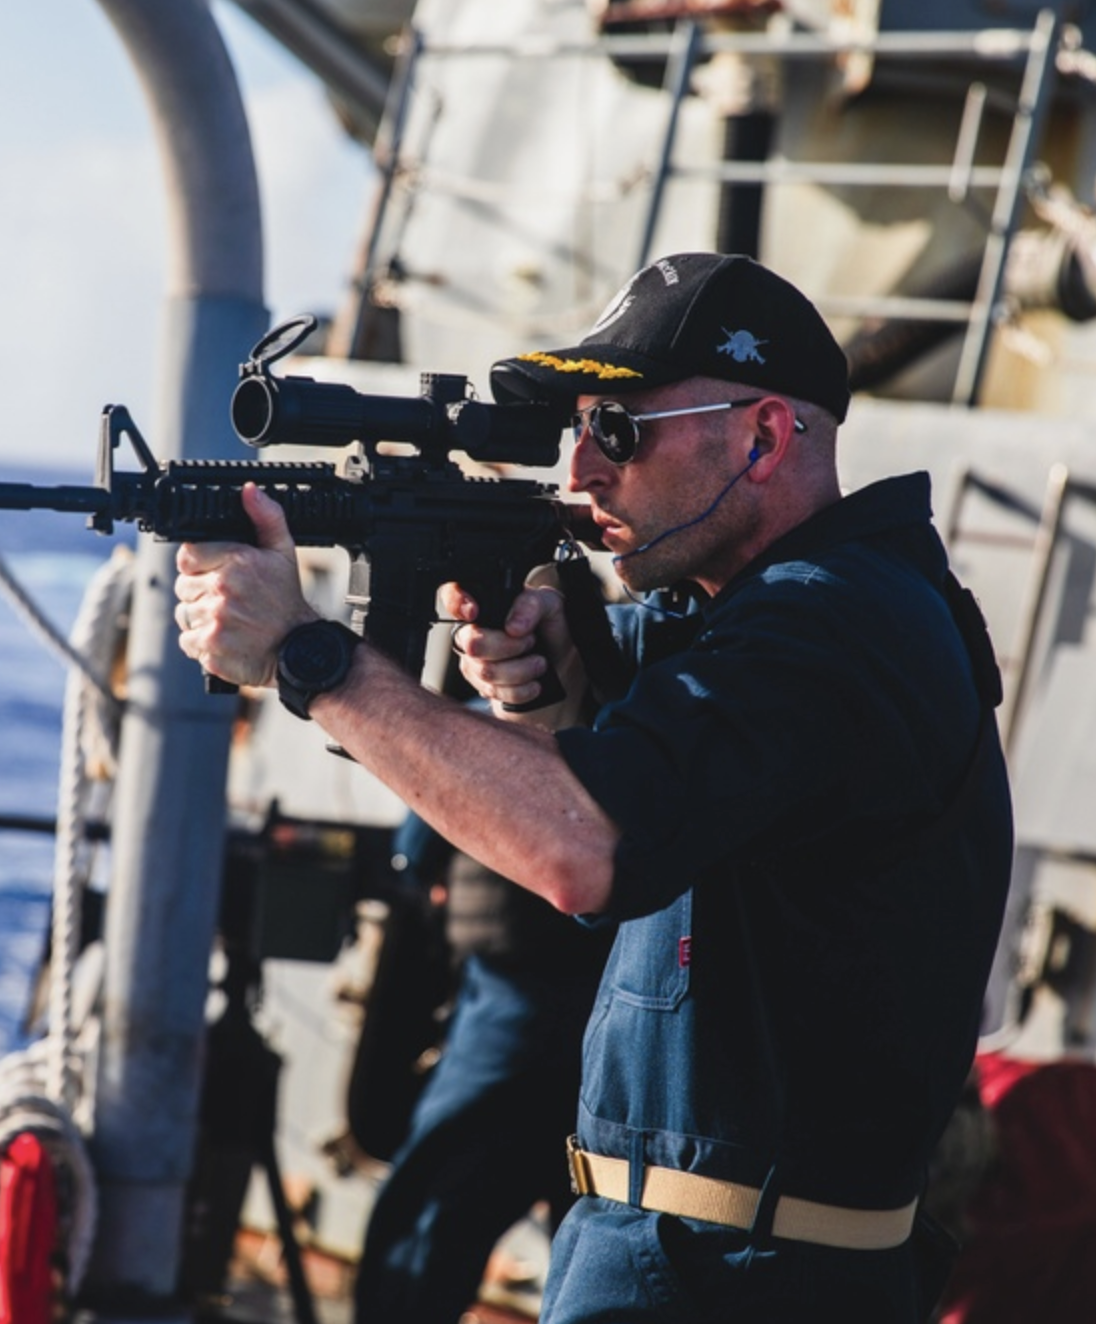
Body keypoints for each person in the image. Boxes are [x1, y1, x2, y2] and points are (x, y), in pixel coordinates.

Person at [174, 252, 1013, 1321]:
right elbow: (659, 781)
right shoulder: (747, 613)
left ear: (761, 437)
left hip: (738, 1276)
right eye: (572, 429)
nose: (576, 472)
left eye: (616, 430)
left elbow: (585, 849)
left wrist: (309, 657)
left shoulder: (829, 623)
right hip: (695, 1254)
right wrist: (555, 700)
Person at [353, 813, 611, 1324]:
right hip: (633, 999)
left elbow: (442, 793)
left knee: (433, 1208)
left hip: (520, 989)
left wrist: (418, 858)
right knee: (598, 1226)